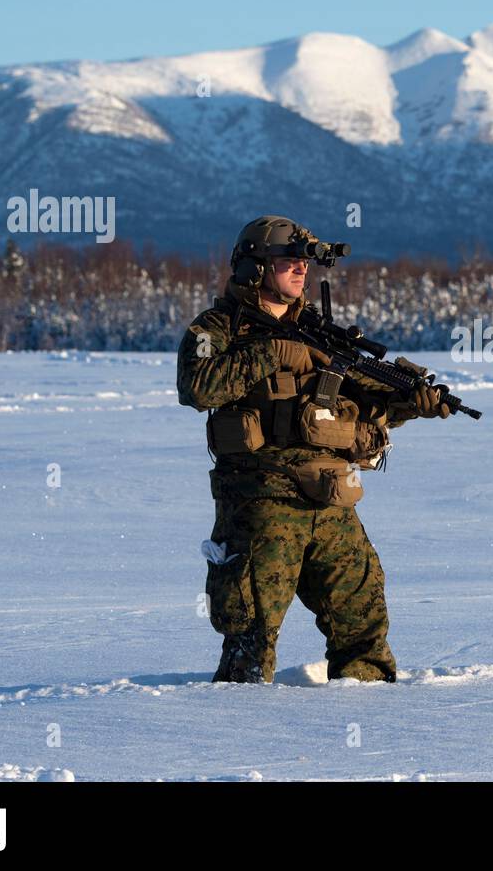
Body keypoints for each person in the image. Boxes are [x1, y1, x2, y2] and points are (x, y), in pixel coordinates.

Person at [176, 215, 450, 684]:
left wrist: (410, 402)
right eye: (288, 261)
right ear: (255, 268)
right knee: (251, 633)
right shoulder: (218, 328)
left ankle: (371, 716)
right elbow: (197, 386)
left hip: (331, 496)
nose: (301, 271)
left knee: (363, 618)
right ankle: (238, 736)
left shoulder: (322, 335)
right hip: (261, 502)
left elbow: (365, 404)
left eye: (304, 262)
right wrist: (275, 353)